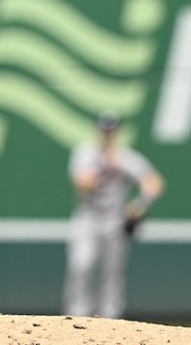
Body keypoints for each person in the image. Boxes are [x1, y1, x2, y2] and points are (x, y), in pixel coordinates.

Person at [63, 112, 165, 319]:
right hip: (87, 220)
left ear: (117, 132)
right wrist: (103, 166)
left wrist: (141, 204)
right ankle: (76, 315)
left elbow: (154, 182)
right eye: (104, 130)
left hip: (115, 221)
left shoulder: (126, 157)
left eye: (111, 131)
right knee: (81, 265)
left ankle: (111, 318)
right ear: (98, 131)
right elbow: (82, 183)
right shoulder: (85, 154)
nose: (107, 135)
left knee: (113, 272)